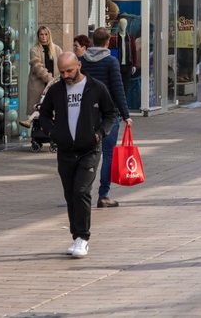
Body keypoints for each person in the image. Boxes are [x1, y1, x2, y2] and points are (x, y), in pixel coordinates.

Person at [38, 52, 116, 258]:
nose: (66, 75)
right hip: (65, 151)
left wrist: (99, 133)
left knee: (81, 191)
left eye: (69, 70)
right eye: (62, 72)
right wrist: (51, 133)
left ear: (79, 65)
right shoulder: (55, 90)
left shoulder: (96, 88)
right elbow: (43, 114)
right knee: (70, 194)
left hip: (89, 150)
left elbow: (110, 113)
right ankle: (76, 237)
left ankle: (83, 237)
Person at [78, 27, 131, 208]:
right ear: (108, 42)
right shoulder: (111, 62)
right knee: (107, 155)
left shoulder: (81, 61)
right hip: (108, 115)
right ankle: (103, 195)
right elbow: (118, 90)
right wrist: (126, 114)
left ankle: (82, 192)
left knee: (88, 155)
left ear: (92, 41)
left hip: (86, 115)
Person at [28, 26, 62, 116]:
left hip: (54, 84)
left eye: (46, 34)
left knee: (54, 112)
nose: (44, 37)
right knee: (38, 111)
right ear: (38, 36)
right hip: (40, 85)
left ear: (49, 35)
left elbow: (62, 64)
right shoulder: (34, 50)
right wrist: (50, 80)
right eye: (41, 34)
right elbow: (37, 67)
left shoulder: (57, 49)